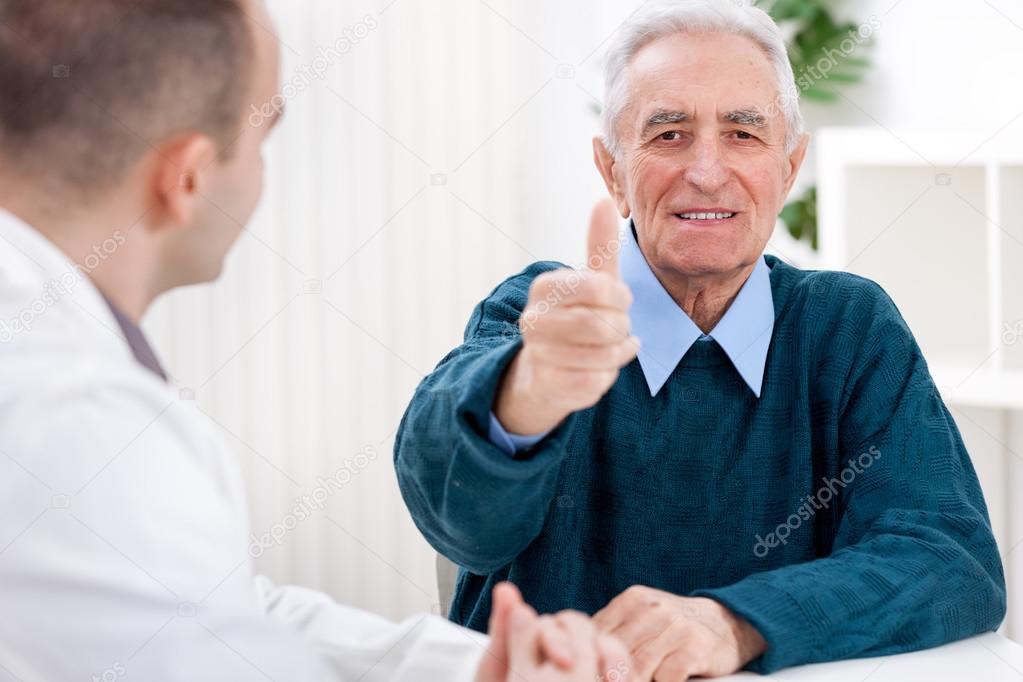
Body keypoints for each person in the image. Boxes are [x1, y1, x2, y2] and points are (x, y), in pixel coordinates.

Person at [0, 1, 631, 680]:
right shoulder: (70, 418)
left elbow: (225, 613)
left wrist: (479, 669)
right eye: (261, 138)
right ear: (187, 178)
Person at [393, 0, 1007, 679]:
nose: (707, 170)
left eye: (743, 133)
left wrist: (732, 622)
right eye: (668, 134)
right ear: (610, 171)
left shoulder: (846, 327)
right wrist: (525, 395)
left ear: (789, 166)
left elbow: (951, 560)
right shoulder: (543, 318)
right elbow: (454, 519)